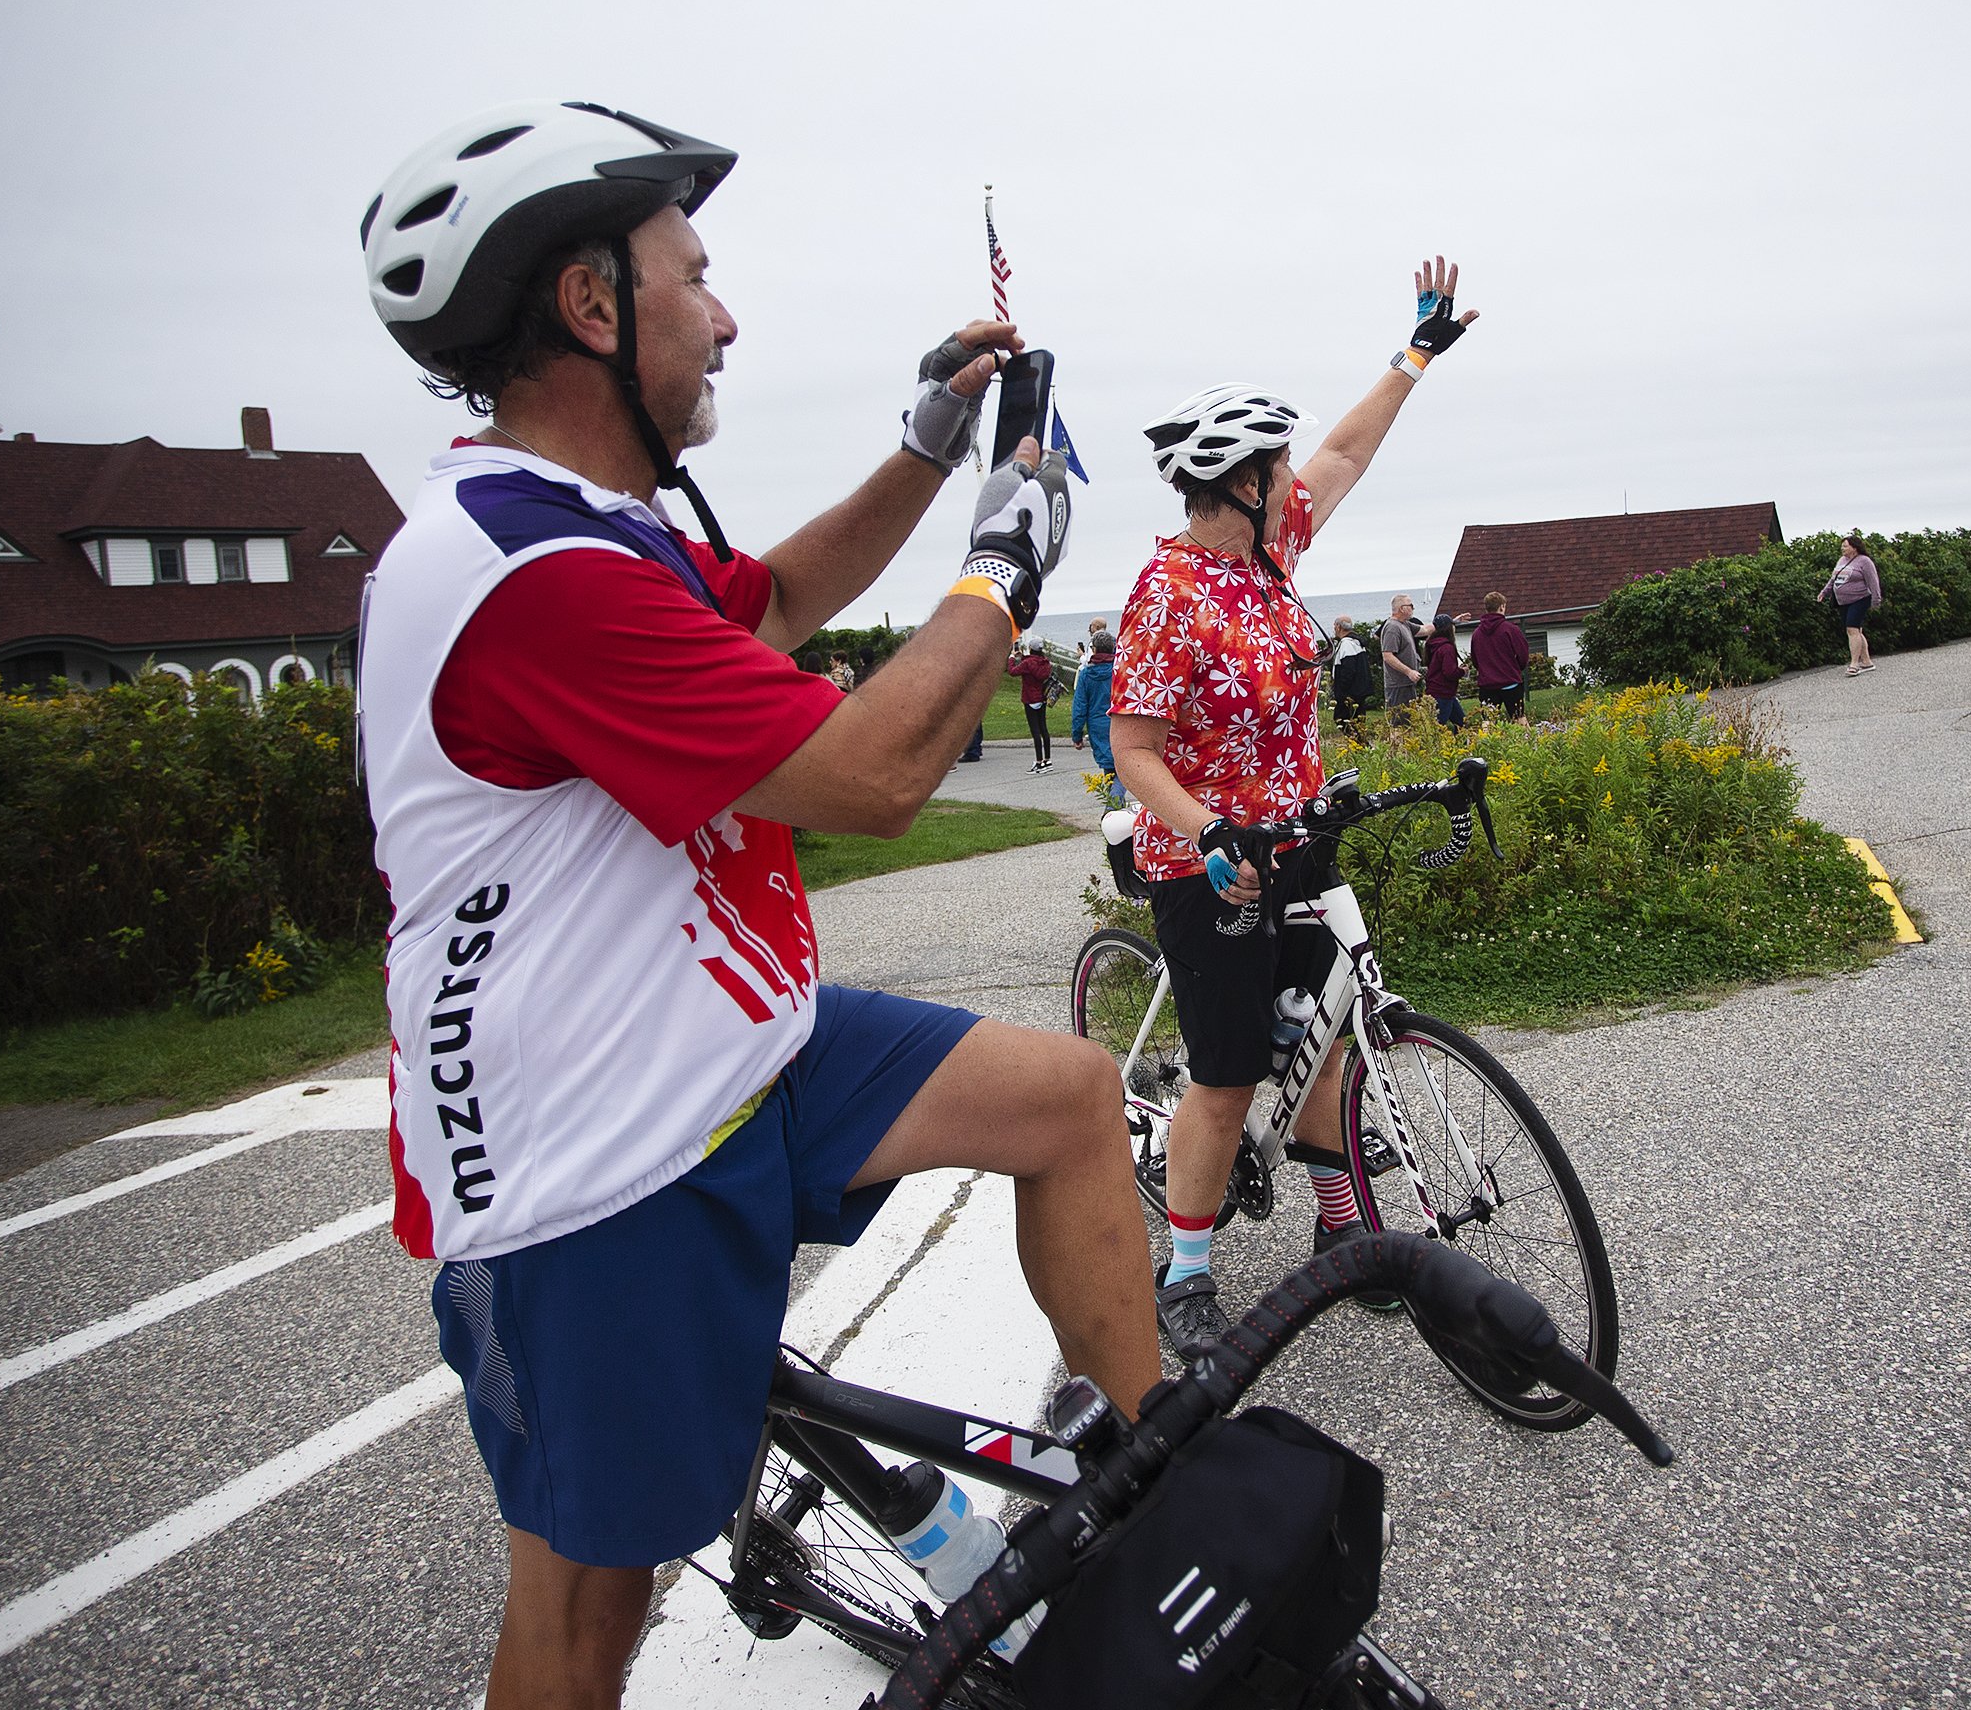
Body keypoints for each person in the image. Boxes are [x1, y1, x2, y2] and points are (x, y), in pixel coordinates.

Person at [353, 100, 1153, 1710]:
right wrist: (1004, 561)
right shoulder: (523, 574)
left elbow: (777, 601)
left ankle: (1161, 1485)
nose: (724, 316)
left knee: (1069, 1099)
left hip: (726, 1054)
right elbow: (872, 774)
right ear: (592, 307)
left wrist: (927, 449)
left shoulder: (590, 525)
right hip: (588, 1163)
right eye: (692, 277)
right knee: (587, 1615)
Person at [1112, 257, 1480, 1362]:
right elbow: (1134, 746)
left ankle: (1339, 1224)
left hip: (1299, 839)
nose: (1290, 473)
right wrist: (1208, 827)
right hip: (1209, 865)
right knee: (1225, 1079)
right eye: (1273, 463)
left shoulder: (1274, 553)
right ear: (1234, 482)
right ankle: (1185, 1268)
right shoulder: (1165, 593)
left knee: (1324, 1037)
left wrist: (1413, 354)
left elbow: (1350, 448)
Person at [1820, 534, 1881, 675]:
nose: (1842, 548)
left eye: (1845, 546)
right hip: (1843, 602)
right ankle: (1867, 662)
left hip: (1860, 599)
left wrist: (1876, 601)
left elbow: (1873, 582)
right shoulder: (1842, 560)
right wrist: (1824, 592)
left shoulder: (1864, 561)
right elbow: (1833, 578)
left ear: (1854, 547)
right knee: (1856, 631)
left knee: (1852, 629)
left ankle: (1854, 664)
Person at [1469, 590, 1531, 718]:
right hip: (1510, 681)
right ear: (1502, 606)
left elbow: (1475, 660)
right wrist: (1516, 668)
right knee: (1519, 719)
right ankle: (1526, 738)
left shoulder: (1477, 633)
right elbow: (1523, 655)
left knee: (1488, 722)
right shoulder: (1511, 630)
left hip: (1487, 684)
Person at [1007, 638, 1057, 772]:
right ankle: (1047, 760)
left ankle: (1039, 762)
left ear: (1031, 648)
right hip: (1042, 697)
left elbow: (1012, 671)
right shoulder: (1045, 663)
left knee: (1035, 731)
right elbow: (1033, 665)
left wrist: (1012, 657)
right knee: (1044, 730)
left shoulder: (1028, 663)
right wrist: (1022, 657)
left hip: (1030, 699)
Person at [1070, 629, 1115, 773]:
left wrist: (1077, 735)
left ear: (1093, 650)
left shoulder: (1086, 675)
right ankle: (1117, 794)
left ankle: (1115, 795)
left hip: (1098, 725)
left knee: (1109, 767)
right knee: (1122, 764)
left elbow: (1080, 708)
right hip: (1120, 722)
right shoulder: (1119, 671)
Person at [1377, 591, 1423, 731]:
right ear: (1402, 608)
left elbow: (1425, 629)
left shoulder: (1406, 625)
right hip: (1398, 685)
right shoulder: (1392, 627)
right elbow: (1388, 655)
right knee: (1399, 725)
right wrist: (1408, 671)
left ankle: (1406, 752)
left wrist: (1450, 621)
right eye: (1411, 605)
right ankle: (1397, 752)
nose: (1413, 608)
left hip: (1407, 684)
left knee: (1409, 723)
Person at [1328, 615, 1378, 730]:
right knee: (1357, 723)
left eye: (1335, 626)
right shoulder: (1357, 642)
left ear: (1339, 627)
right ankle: (1360, 745)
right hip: (1359, 691)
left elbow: (1348, 671)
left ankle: (1358, 745)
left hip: (1350, 693)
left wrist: (1342, 691)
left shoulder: (1347, 644)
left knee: (1343, 721)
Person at [1423, 610, 1466, 728]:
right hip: (1443, 692)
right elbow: (1449, 672)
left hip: (1437, 690)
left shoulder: (1431, 644)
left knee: (1462, 723)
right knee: (1438, 726)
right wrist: (1462, 671)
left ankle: (1460, 744)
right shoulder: (1447, 648)